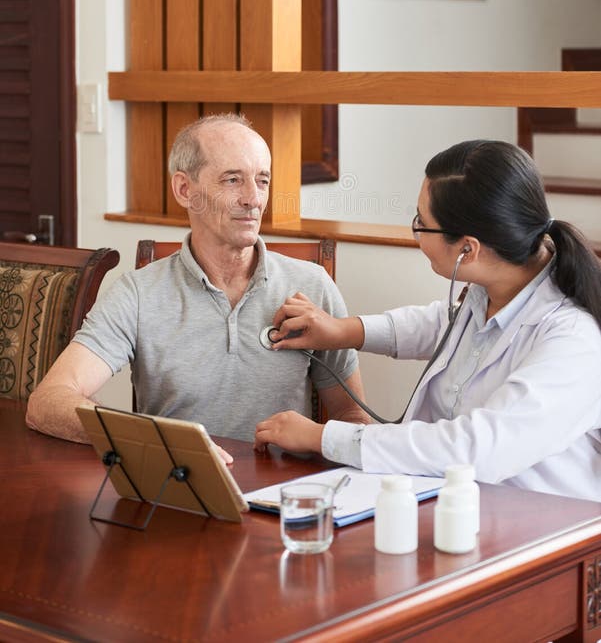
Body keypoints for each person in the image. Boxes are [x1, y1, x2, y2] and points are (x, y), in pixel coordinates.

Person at [255, 139, 601, 501]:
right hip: (456, 504)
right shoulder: (494, 289)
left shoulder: (572, 341)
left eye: (422, 223)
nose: (416, 231)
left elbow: (474, 450)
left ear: (468, 249)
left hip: (543, 528)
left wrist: (322, 436)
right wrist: (345, 331)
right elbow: (441, 324)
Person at [26, 114, 367, 451]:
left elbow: (352, 416)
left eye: (262, 180)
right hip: (177, 492)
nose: (253, 199)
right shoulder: (138, 294)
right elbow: (48, 401)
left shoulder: (312, 284)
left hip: (285, 499)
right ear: (185, 189)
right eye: (232, 180)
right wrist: (160, 443)